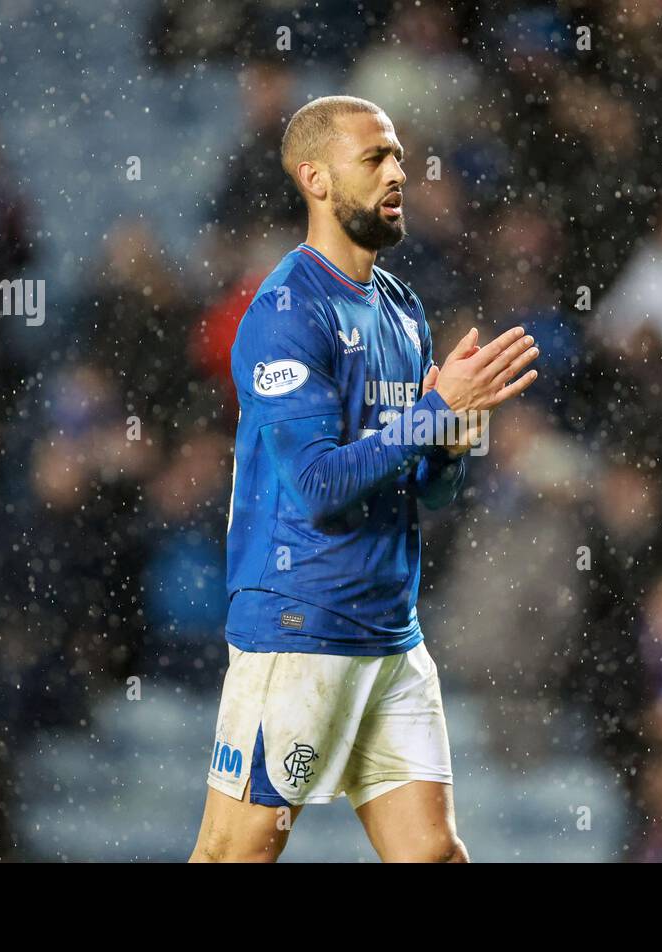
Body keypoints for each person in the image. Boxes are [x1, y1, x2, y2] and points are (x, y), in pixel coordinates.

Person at [189, 95, 540, 862]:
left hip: (390, 635)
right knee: (234, 854)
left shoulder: (404, 311)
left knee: (435, 856)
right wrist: (432, 412)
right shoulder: (286, 311)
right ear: (315, 178)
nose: (399, 173)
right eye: (375, 158)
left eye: (400, 158)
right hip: (302, 627)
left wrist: (451, 439)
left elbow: (430, 490)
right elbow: (315, 484)